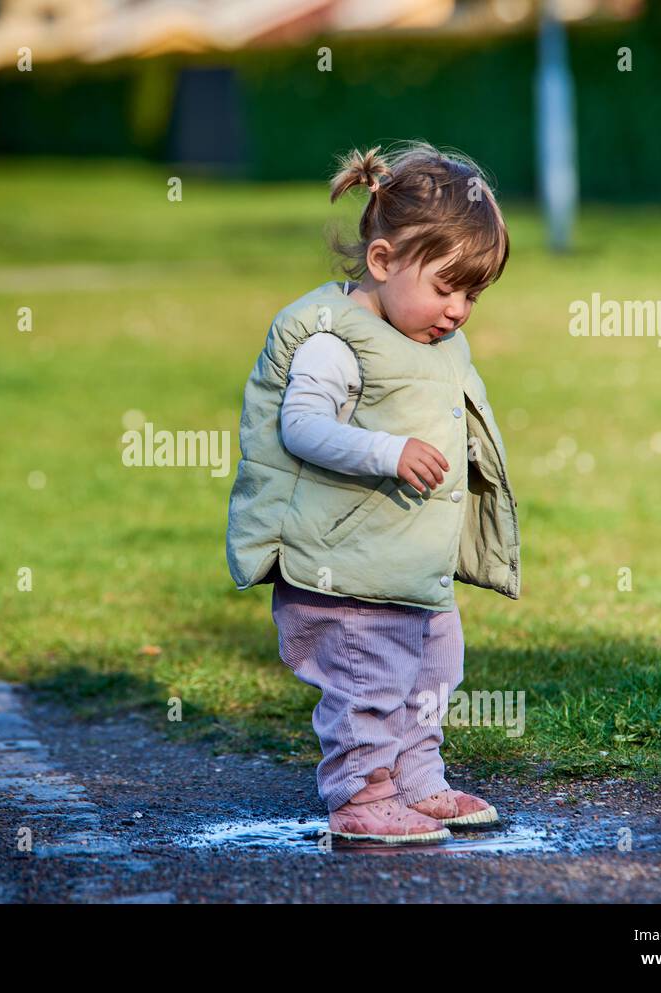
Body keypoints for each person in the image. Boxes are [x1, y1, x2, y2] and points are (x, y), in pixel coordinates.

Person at [224, 140, 522, 844]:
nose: (459, 310)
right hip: (344, 568)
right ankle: (363, 791)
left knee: (432, 668)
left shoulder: (429, 343)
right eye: (447, 286)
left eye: (473, 293)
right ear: (383, 261)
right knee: (367, 680)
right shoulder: (335, 340)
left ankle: (418, 781)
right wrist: (388, 452)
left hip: (411, 566)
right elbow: (301, 428)